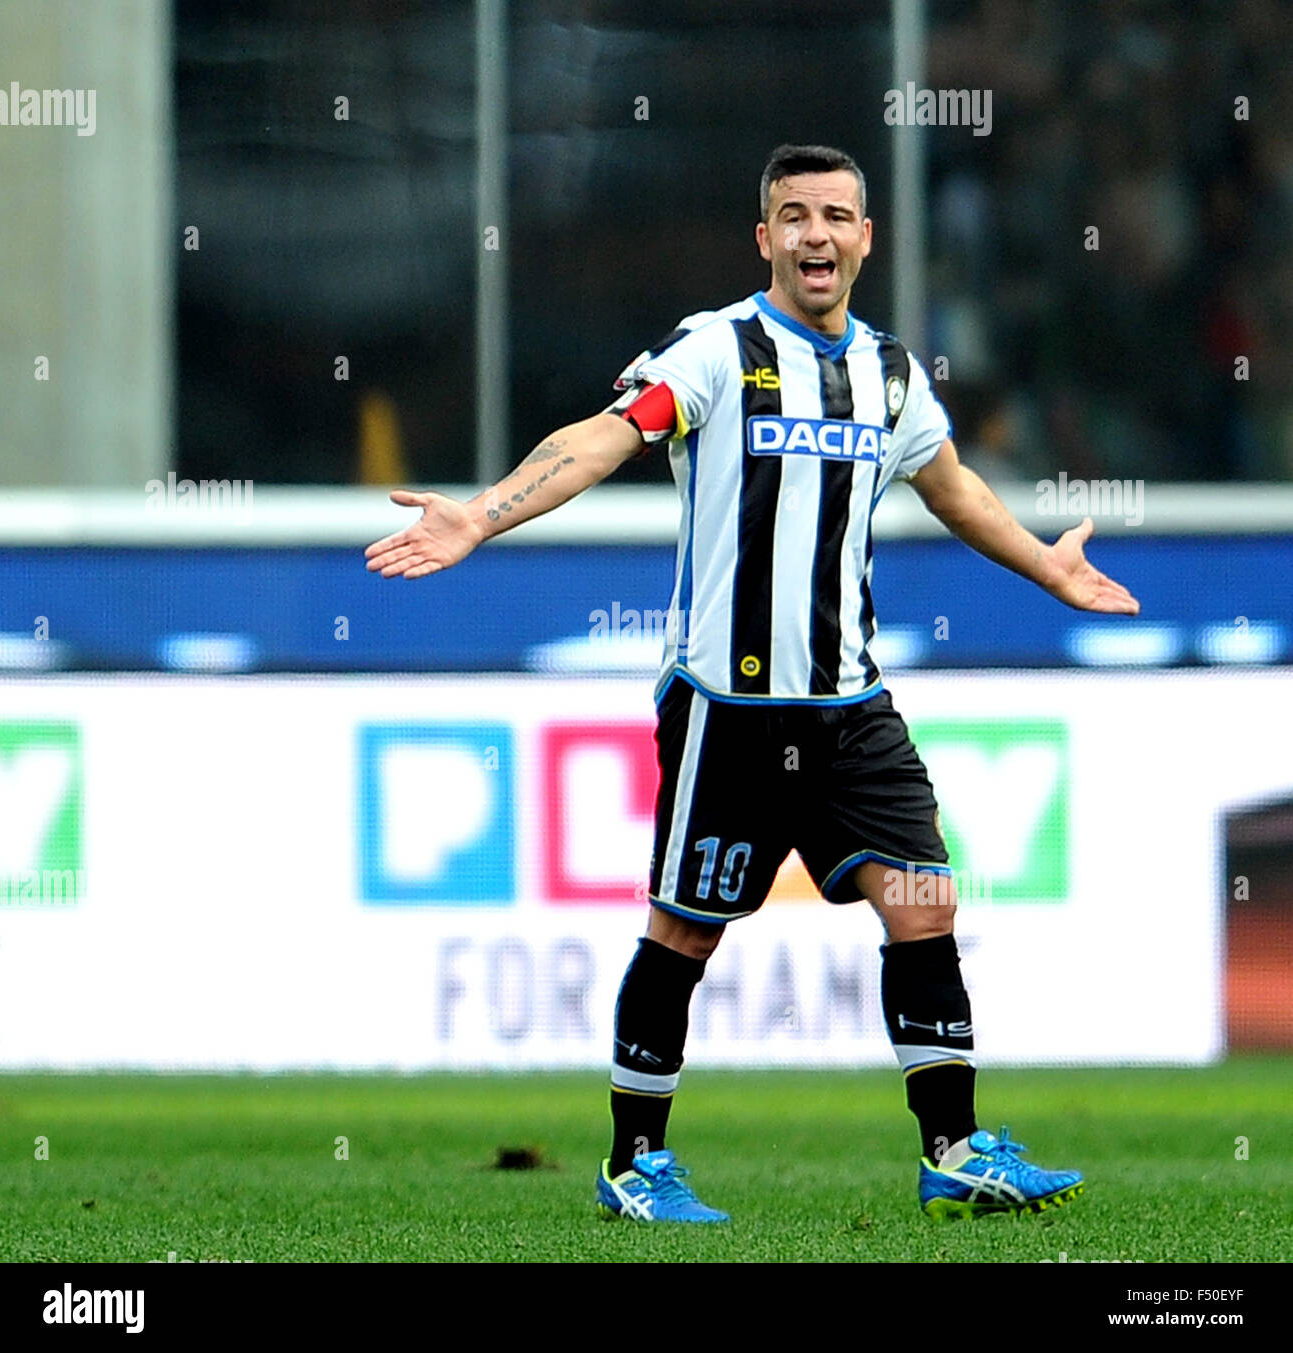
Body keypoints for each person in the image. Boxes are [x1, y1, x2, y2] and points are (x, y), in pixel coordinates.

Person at [365, 143, 1140, 1224]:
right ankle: (633, 1163)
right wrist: (484, 513)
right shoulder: (716, 351)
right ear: (764, 238)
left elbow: (952, 487)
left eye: (835, 216)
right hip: (727, 711)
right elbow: (604, 437)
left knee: (923, 902)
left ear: (865, 239)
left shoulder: (892, 374)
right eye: (793, 216)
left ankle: (954, 1149)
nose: (815, 235)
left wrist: (1045, 563)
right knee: (683, 929)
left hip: (850, 708)